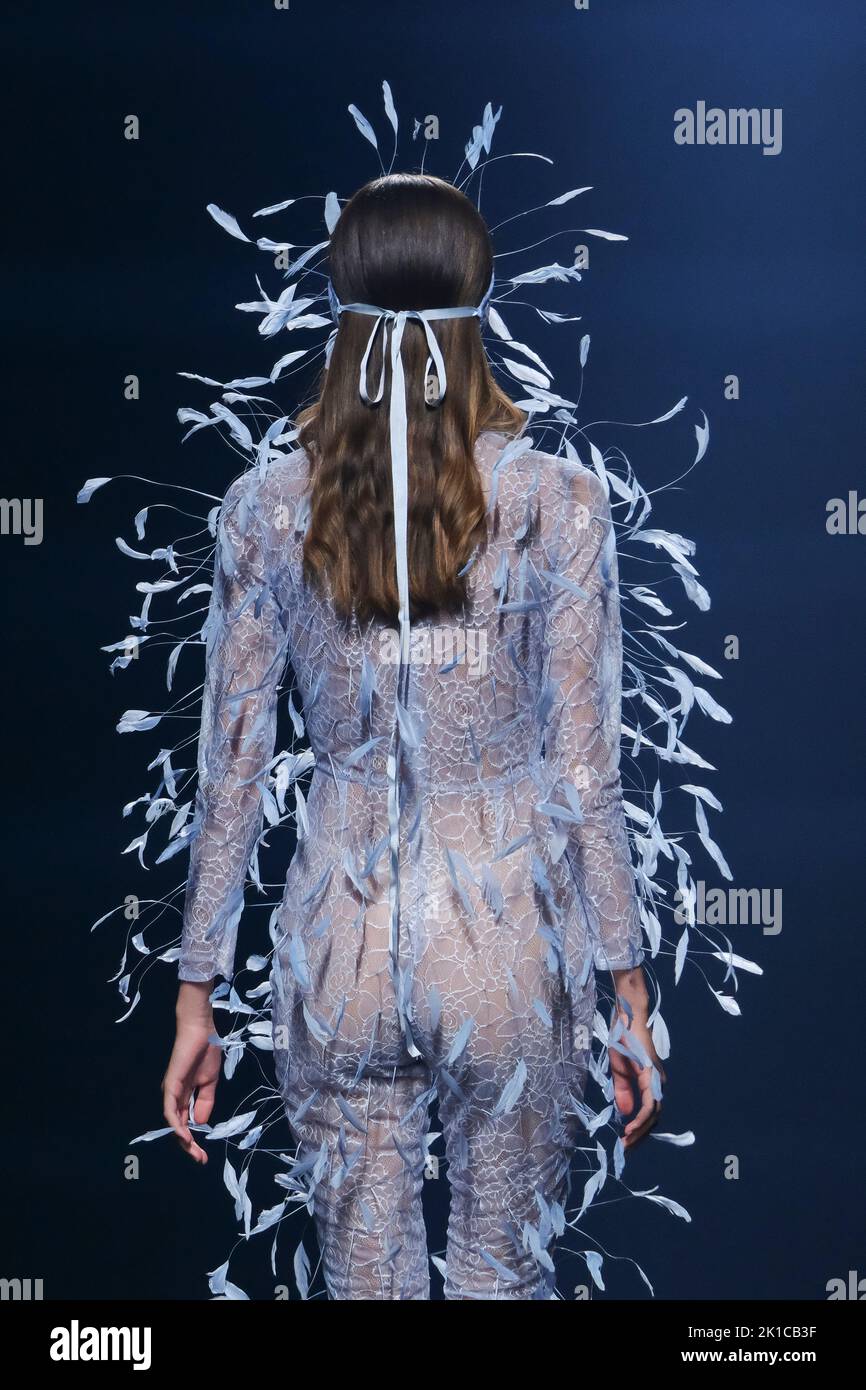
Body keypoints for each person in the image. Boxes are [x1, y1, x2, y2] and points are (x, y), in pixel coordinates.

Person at [161, 172, 665, 1300]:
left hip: (332, 944)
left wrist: (197, 989)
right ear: (476, 300)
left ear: (339, 303)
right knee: (500, 1277)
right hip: (503, 943)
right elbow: (584, 766)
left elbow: (231, 768)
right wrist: (627, 979)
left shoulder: (265, 507)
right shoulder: (559, 502)